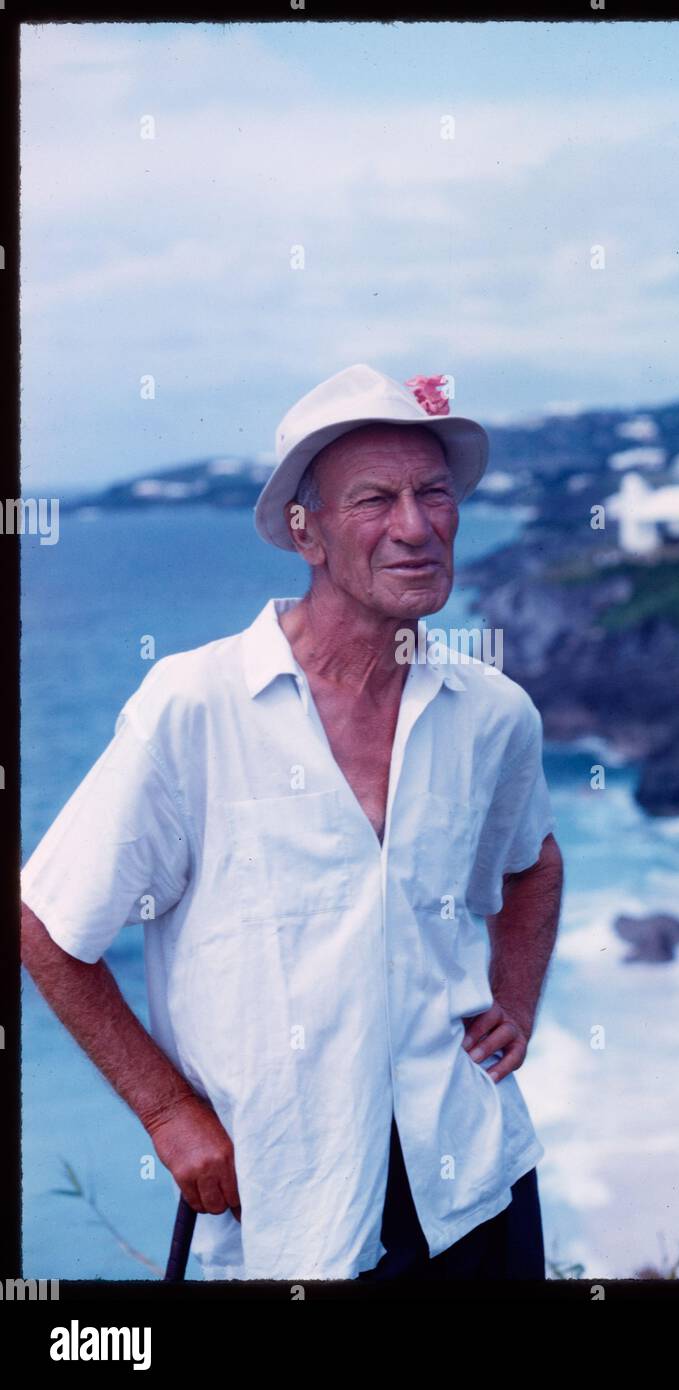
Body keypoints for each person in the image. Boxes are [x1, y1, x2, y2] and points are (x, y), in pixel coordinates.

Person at [20, 363, 564, 1282]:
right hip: (283, 1210)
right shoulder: (193, 706)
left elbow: (532, 863)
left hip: (474, 1186)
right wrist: (165, 1113)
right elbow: (47, 922)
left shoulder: (493, 713)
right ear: (305, 533)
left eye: (434, 492)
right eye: (374, 500)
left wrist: (515, 1000)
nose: (417, 526)